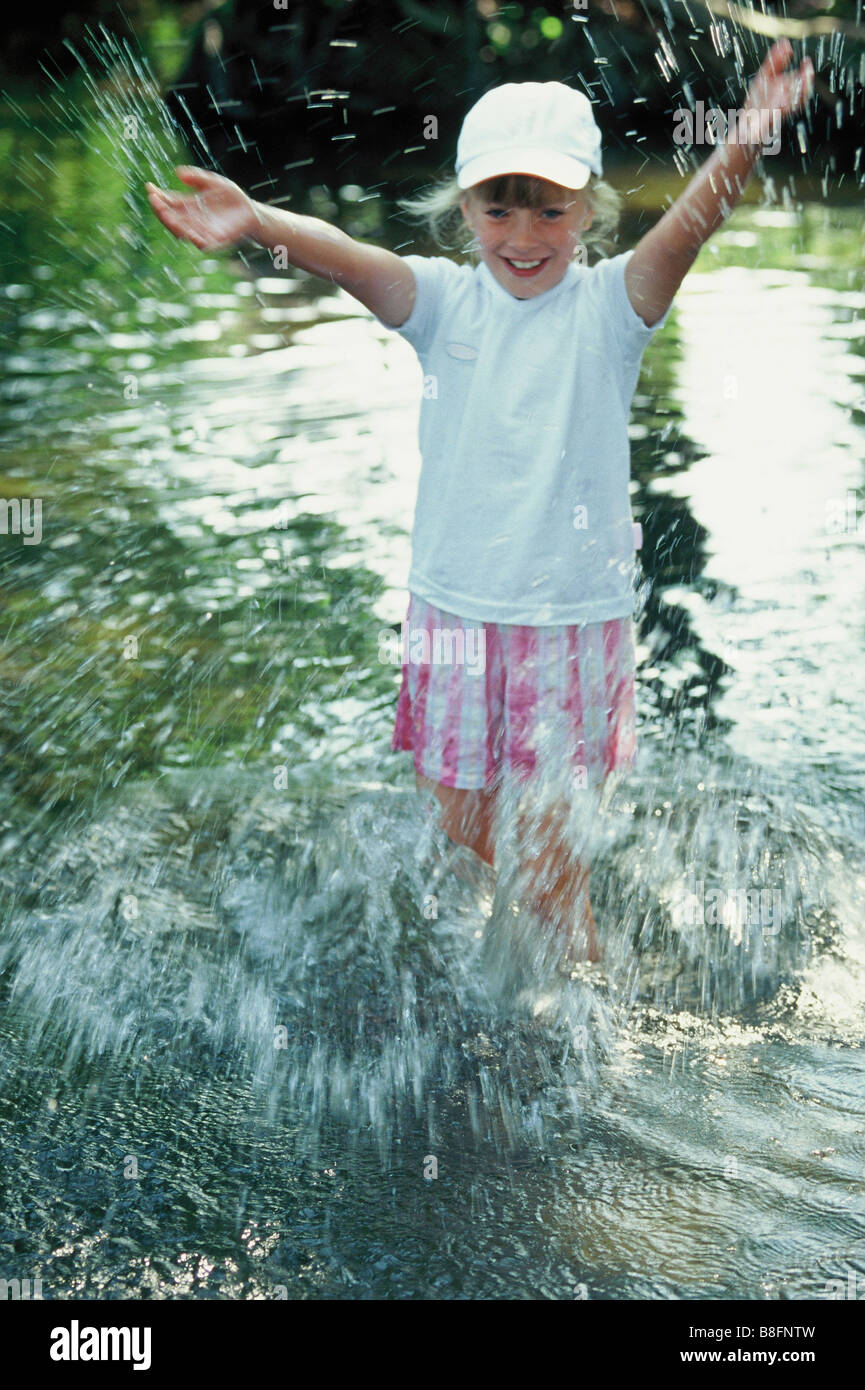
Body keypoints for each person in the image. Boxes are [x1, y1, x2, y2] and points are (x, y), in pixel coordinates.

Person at [146, 39, 813, 969]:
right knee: (462, 824)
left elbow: (689, 226)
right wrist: (257, 218)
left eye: (549, 209)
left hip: (564, 624)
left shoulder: (610, 309)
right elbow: (348, 258)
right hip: (453, 612)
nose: (524, 235)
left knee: (540, 871)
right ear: (464, 211)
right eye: (499, 208)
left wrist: (743, 137)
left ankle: (584, 1016)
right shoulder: (442, 304)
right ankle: (545, 943)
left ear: (586, 210)